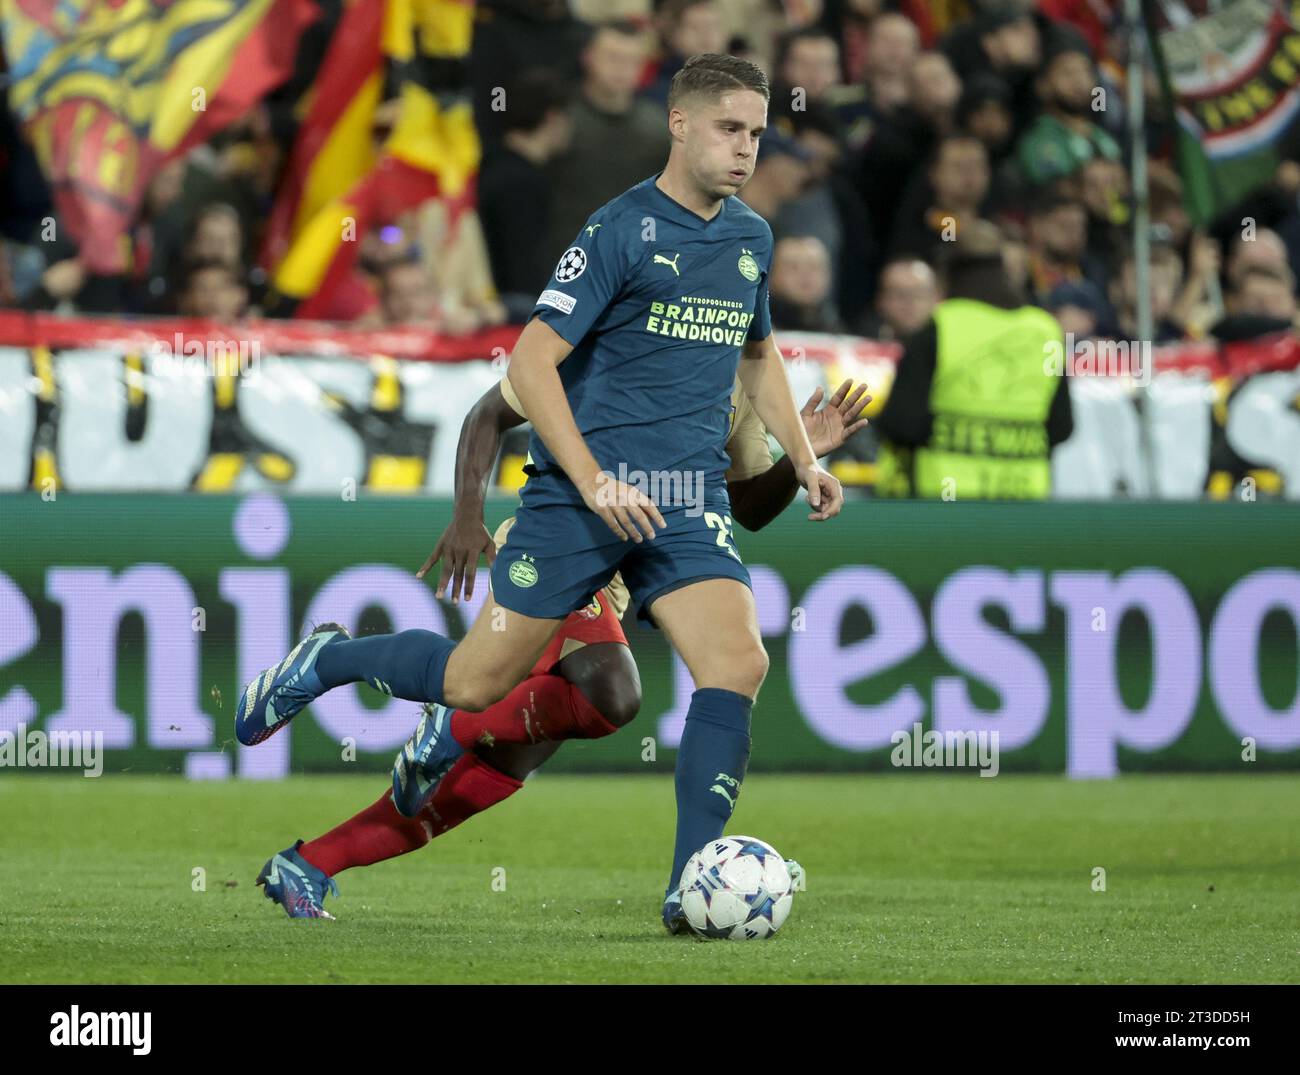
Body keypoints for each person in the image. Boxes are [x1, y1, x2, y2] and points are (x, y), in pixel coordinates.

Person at [235, 53, 844, 931]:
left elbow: (758, 356)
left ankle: (684, 888)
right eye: (729, 128)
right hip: (578, 503)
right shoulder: (620, 230)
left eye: (755, 132)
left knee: (737, 661)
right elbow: (526, 364)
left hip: (685, 500)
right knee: (475, 681)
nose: (746, 148)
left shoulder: (749, 239)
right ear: (679, 124)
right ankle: (328, 661)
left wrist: (805, 457)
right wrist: (588, 479)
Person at [251, 371, 870, 919]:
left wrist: (801, 455)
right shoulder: (625, 320)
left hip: (632, 576)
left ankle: (309, 864)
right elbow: (489, 410)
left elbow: (747, 505)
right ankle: (380, 686)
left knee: (484, 777)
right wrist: (467, 513)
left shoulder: (745, 367)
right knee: (611, 692)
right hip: (563, 544)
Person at [874, 219, 1073, 499]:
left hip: (946, 505)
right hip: (1024, 502)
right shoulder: (1046, 330)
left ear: (952, 270)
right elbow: (1062, 427)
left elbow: (901, 423)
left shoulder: (940, 325)